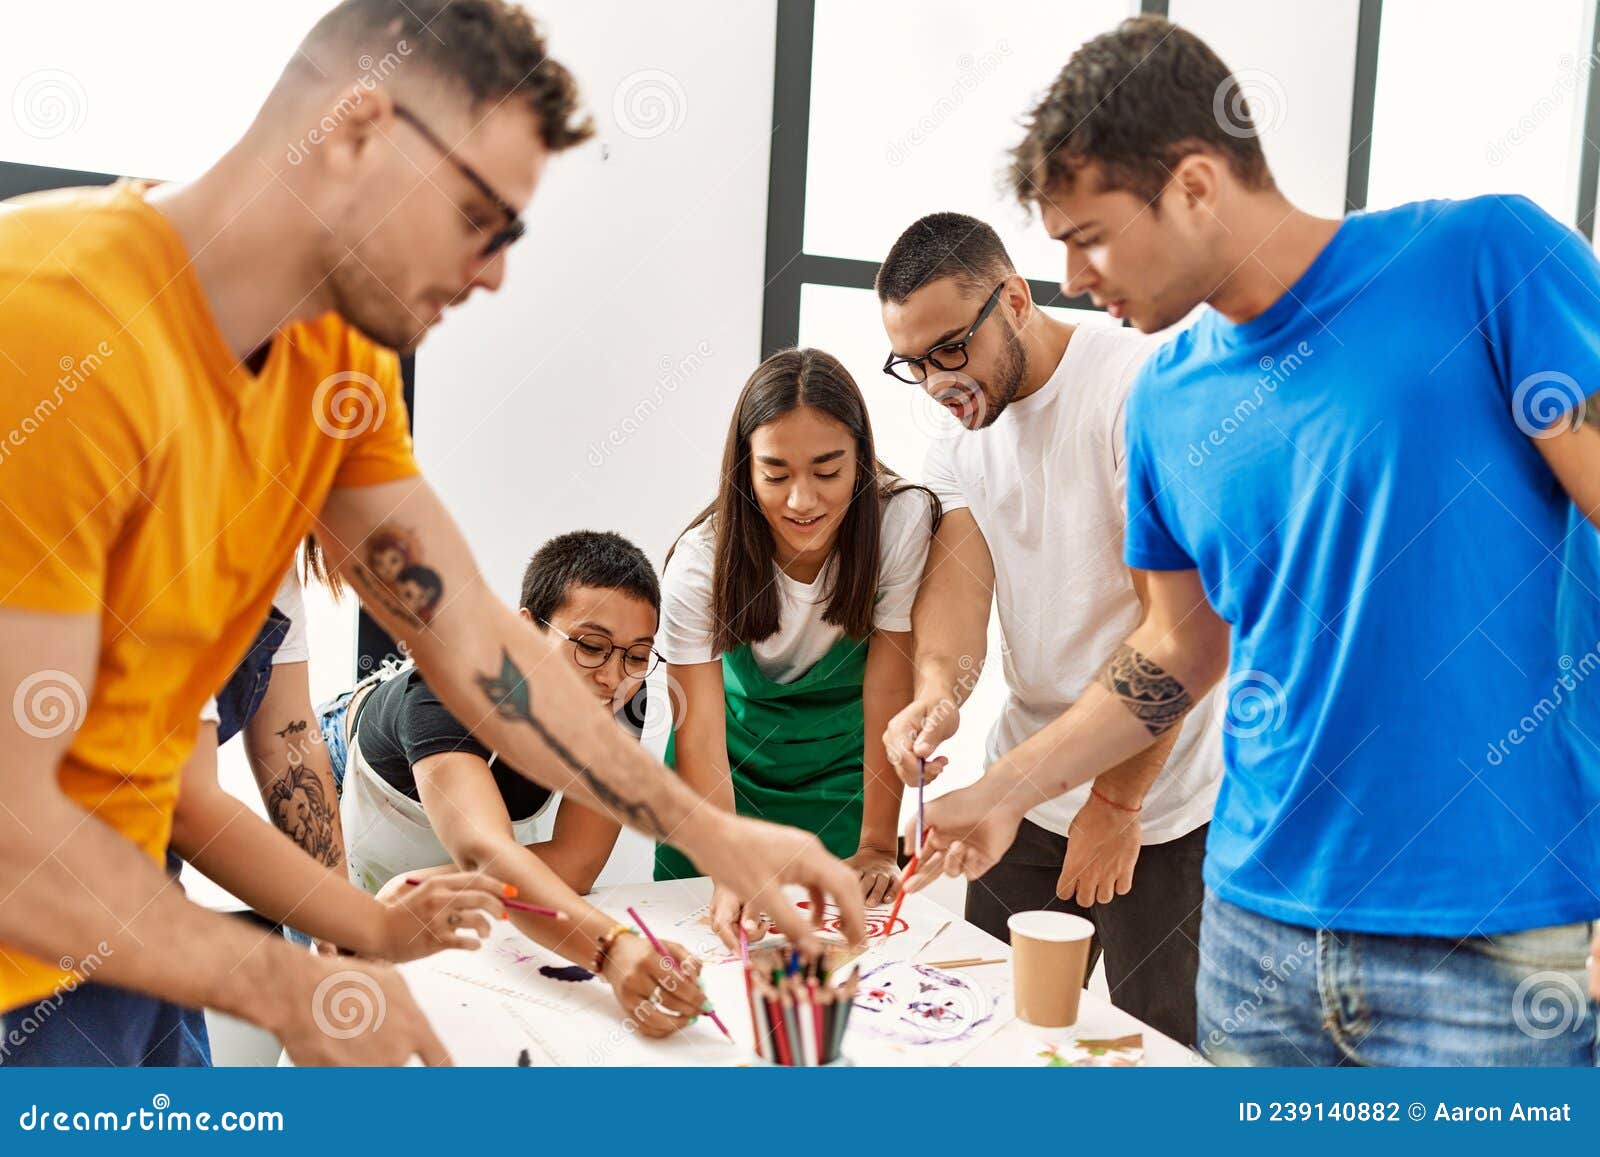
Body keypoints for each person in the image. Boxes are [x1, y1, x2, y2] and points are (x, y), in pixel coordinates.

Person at [0, 0, 862, 1068]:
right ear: (360, 128)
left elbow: (477, 641)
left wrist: (713, 833)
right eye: (481, 219)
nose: (493, 272)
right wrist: (295, 978)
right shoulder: (49, 324)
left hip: (137, 944)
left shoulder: (335, 363)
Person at [906, 15, 1600, 1065]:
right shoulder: (1169, 399)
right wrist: (1002, 791)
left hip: (1493, 935)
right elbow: (1175, 647)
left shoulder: (1483, 258)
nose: (1073, 276)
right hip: (1253, 932)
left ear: (1193, 183)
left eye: (1089, 236)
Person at [875, 212, 1223, 1045]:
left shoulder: (1136, 392)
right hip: (1025, 791)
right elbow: (958, 600)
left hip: (1159, 805)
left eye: (949, 350)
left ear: (1015, 300)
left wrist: (1117, 800)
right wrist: (936, 694)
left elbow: (1175, 627)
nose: (935, 384)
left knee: (1153, 1050)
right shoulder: (960, 438)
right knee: (991, 1033)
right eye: (912, 363)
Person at [325, 531, 709, 1036]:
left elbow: (577, 861)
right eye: (591, 647)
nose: (614, 678)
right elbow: (487, 853)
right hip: (340, 770)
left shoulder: (621, 703)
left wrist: (429, 884)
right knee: (338, 975)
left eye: (636, 657)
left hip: (467, 818)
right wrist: (612, 951)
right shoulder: (446, 690)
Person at [656, 348, 939, 947]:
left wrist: (877, 844)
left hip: (844, 781)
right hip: (723, 782)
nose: (802, 501)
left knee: (838, 964)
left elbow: (889, 686)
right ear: (745, 468)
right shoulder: (698, 564)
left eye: (828, 472)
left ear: (861, 460)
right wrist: (729, 861)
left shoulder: (900, 520)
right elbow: (697, 730)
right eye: (776, 474)